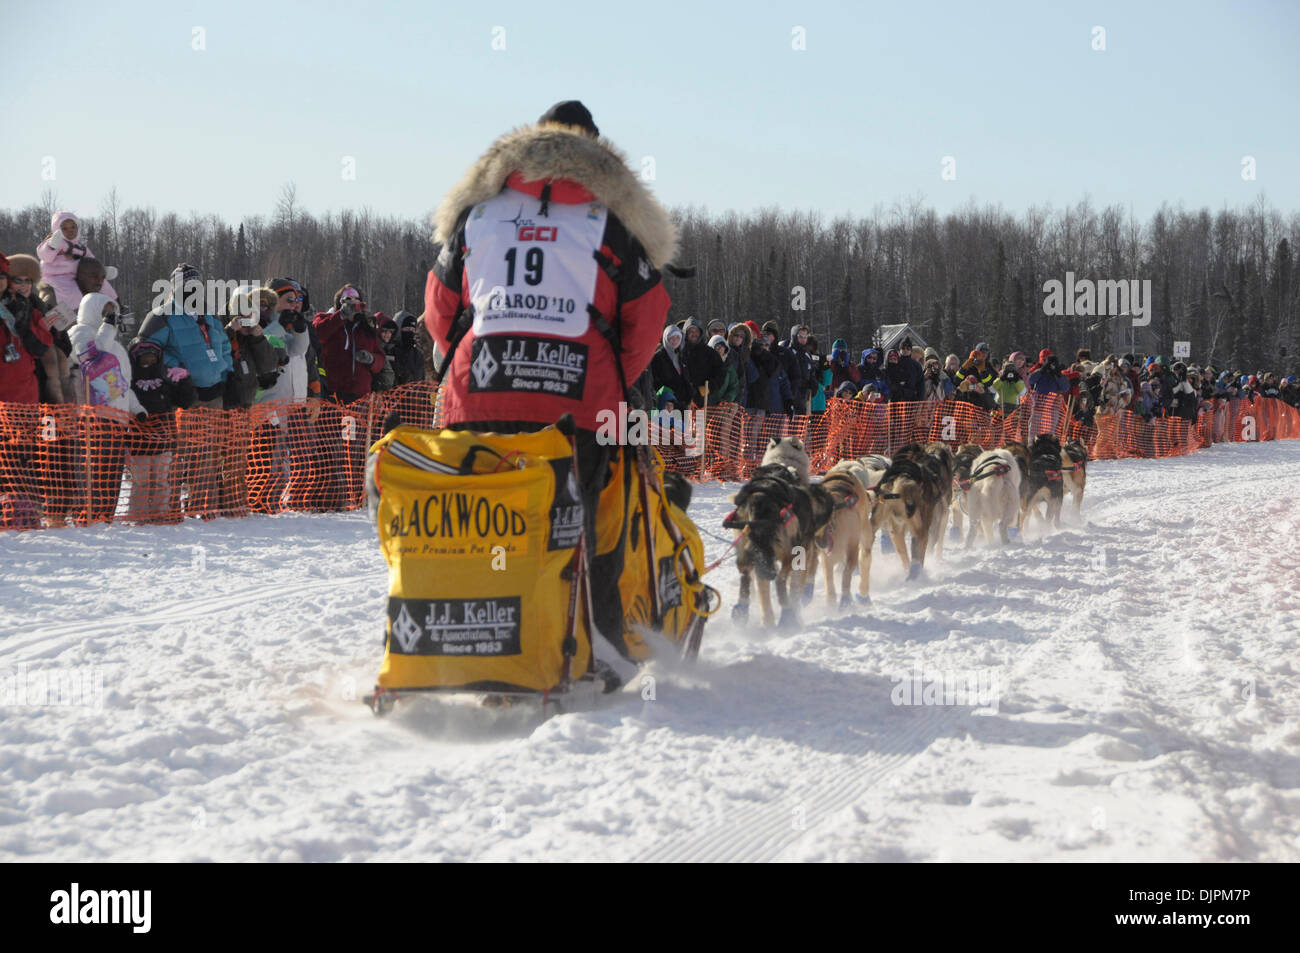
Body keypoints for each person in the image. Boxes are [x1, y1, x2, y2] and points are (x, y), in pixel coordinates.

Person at [423, 100, 674, 661]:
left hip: (478, 396)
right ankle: (594, 649)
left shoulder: (479, 215)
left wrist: (459, 369)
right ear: (595, 152)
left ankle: (465, 649)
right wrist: (613, 381)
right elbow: (646, 319)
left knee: (480, 525)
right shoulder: (612, 220)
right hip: (577, 406)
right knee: (583, 527)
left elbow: (439, 310)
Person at [68, 293, 144, 522]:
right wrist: (108, 327)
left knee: (112, 469)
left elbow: (123, 385)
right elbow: (91, 358)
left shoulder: (118, 347)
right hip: (91, 415)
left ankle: (106, 513)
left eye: (112, 313)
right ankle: (87, 512)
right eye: (105, 312)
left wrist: (136, 408)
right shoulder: (79, 332)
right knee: (92, 467)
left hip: (116, 418)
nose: (109, 318)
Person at [138, 263, 233, 408]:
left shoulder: (209, 314)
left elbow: (225, 346)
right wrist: (177, 370)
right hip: (184, 399)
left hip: (215, 395)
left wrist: (226, 374)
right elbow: (145, 351)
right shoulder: (162, 316)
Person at [127, 339, 196, 522]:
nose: (148, 362)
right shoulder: (129, 381)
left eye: (152, 358)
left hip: (164, 440)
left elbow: (185, 401)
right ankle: (138, 516)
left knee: (160, 482)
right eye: (144, 359)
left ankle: (159, 515)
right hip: (138, 442)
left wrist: (185, 381)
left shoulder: (166, 380)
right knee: (141, 482)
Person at [313, 284, 386, 403]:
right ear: (340, 302)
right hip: (332, 393)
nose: (352, 304)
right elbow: (317, 334)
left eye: (356, 300)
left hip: (360, 395)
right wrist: (340, 315)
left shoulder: (366, 327)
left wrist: (371, 359)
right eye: (348, 300)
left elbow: (381, 359)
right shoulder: (326, 319)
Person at [36, 211, 117, 316]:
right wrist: (52, 245)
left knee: (103, 285)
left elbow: (92, 262)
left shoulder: (81, 248)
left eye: (73, 227)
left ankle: (114, 308)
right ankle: (61, 317)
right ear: (57, 230)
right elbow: (44, 255)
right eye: (64, 228)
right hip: (56, 277)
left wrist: (101, 271)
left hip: (77, 277)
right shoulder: (55, 242)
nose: (70, 231)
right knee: (71, 292)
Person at [0, 253, 54, 405]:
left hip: (27, 390)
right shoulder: (13, 306)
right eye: (18, 280)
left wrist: (43, 329)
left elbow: (41, 347)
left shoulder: (36, 309)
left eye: (28, 281)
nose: (24, 285)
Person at [679, 317, 725, 408]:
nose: (694, 334)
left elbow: (721, 373)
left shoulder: (709, 353)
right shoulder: (680, 352)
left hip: (702, 401)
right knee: (683, 422)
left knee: (700, 422)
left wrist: (707, 389)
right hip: (682, 401)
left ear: (700, 333)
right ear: (685, 333)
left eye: (696, 331)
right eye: (691, 331)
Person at [389, 311, 425, 386]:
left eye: (412, 329)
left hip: (415, 396)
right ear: (399, 329)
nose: (410, 332)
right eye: (407, 328)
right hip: (395, 396)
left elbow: (422, 382)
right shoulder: (390, 351)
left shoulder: (418, 354)